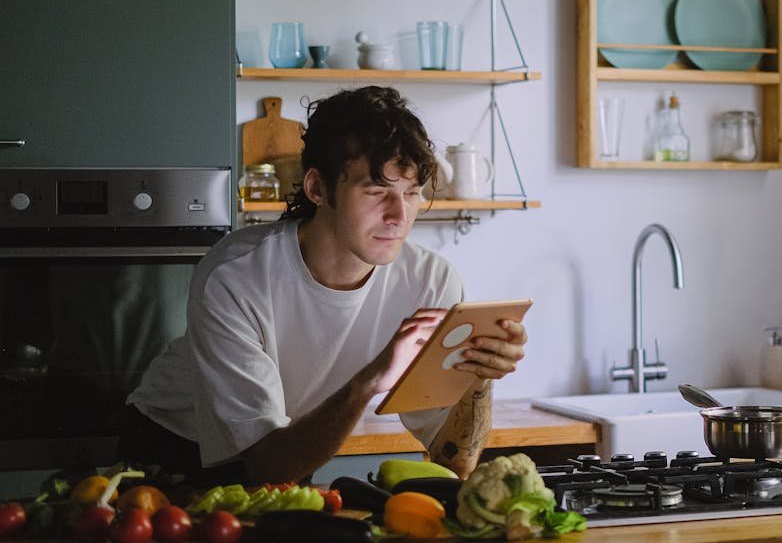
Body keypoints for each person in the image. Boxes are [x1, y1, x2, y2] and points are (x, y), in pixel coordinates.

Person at [122, 86, 525, 484]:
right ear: (317, 188)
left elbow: (452, 460)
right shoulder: (236, 275)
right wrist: (370, 381)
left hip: (290, 447)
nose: (399, 214)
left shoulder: (431, 281)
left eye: (411, 192)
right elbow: (263, 465)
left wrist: (479, 372)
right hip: (172, 453)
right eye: (376, 191)